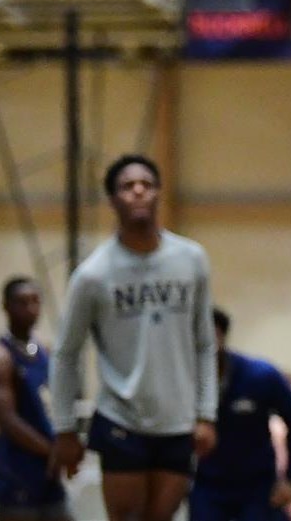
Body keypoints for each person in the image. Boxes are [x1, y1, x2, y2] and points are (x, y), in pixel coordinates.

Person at [47, 155, 217, 521]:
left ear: (158, 194)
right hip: (121, 418)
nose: (138, 191)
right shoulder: (93, 275)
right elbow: (65, 354)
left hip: (178, 420)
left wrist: (207, 413)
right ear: (113, 200)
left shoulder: (191, 259)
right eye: (127, 186)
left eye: (147, 184)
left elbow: (205, 343)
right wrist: (64, 429)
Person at [188, 308, 291, 521]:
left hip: (256, 485)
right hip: (209, 483)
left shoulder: (260, 376)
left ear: (222, 335)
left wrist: (289, 478)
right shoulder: (187, 380)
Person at [0, 277, 69, 521]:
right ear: (6, 306)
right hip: (18, 465)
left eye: (35, 301)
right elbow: (7, 420)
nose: (30, 308)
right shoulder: (0, 357)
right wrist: (52, 451)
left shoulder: (44, 349)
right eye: (22, 302)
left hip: (47, 466)